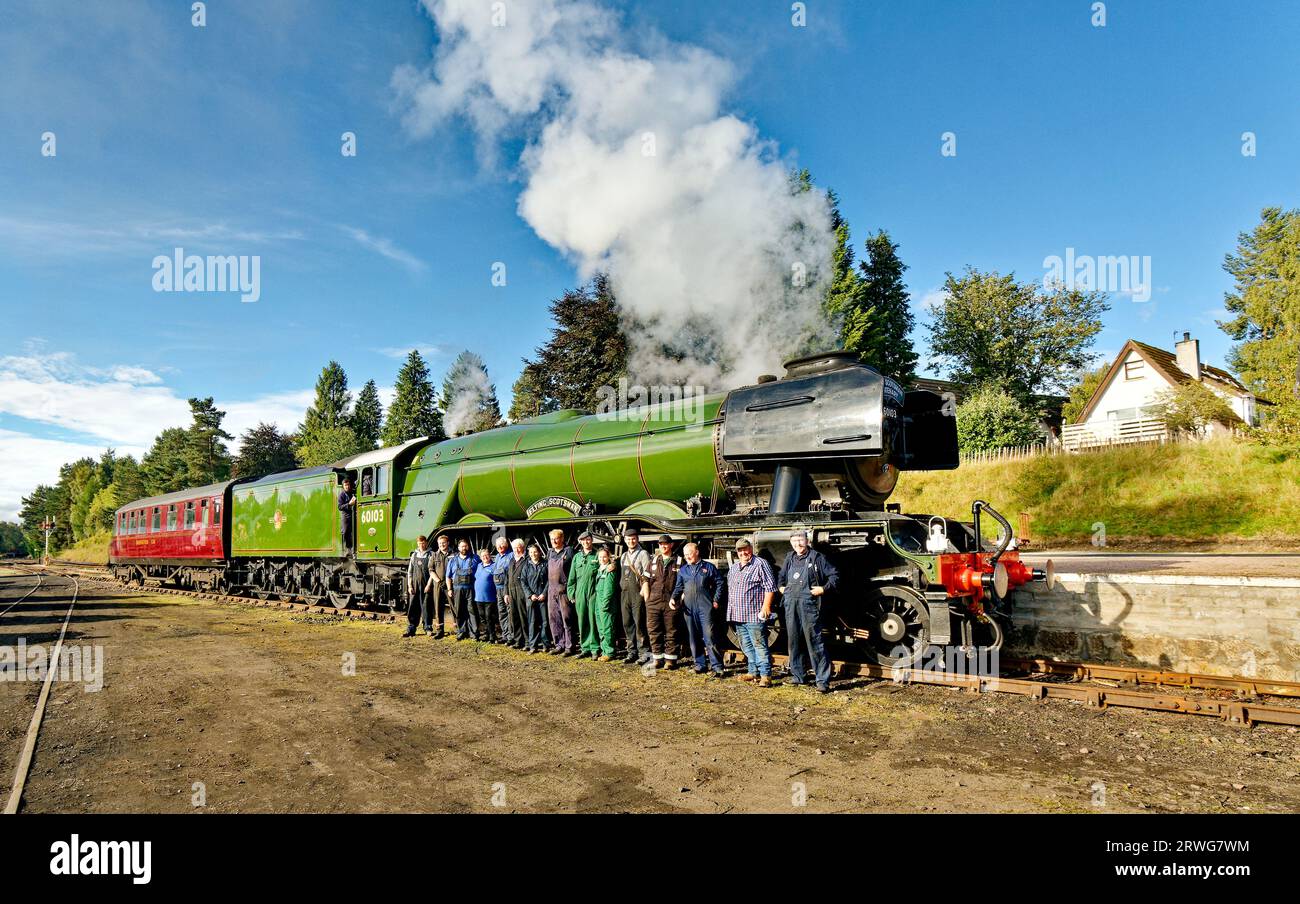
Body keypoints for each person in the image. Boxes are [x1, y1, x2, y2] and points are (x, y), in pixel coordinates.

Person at [779, 529, 840, 693]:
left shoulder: (817, 558)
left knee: (814, 641)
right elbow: (781, 576)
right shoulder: (789, 558)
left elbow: (834, 576)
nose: (797, 544)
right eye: (794, 541)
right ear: (791, 542)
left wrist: (823, 588)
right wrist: (781, 588)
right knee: (793, 641)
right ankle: (798, 676)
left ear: (807, 541)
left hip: (809, 604)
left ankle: (822, 681)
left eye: (800, 540)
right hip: (790, 603)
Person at [726, 537, 776, 687]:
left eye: (745, 549)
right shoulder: (734, 568)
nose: (743, 552)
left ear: (751, 549)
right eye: (740, 550)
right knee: (746, 645)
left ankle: (765, 675)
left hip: (754, 614)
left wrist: (766, 607)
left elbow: (770, 587)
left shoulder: (761, 564)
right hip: (738, 615)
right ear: (737, 552)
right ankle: (752, 672)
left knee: (759, 645)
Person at [672, 541, 725, 676]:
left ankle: (717, 666)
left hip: (705, 607)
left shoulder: (708, 567)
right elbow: (679, 587)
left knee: (709, 636)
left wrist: (716, 600)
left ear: (696, 552)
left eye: (689, 554)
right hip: (689, 608)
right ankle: (700, 664)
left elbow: (720, 582)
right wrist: (673, 598)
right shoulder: (683, 570)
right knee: (693, 637)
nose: (687, 557)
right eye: (685, 555)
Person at [644, 534, 682, 669]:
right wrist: (647, 599)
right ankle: (657, 659)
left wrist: (679, 599)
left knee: (672, 630)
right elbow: (645, 581)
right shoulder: (653, 561)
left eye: (666, 544)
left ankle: (670, 660)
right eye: (661, 544)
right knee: (654, 630)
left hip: (670, 601)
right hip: (653, 602)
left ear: (671, 545)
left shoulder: (679, 561)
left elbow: (684, 582)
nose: (663, 546)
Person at [618, 527, 651, 665]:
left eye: (633, 539)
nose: (631, 541)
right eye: (628, 539)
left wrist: (645, 589)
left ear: (637, 539)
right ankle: (631, 652)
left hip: (637, 593)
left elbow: (648, 573)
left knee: (639, 623)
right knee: (627, 623)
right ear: (625, 540)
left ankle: (644, 653)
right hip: (625, 593)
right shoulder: (624, 556)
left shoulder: (643, 554)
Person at [568, 531, 601, 659]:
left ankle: (594, 648)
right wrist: (571, 593)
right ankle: (585, 647)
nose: (586, 542)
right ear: (580, 542)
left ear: (592, 541)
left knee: (593, 620)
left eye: (588, 540)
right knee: (582, 620)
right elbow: (572, 578)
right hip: (580, 593)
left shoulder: (597, 555)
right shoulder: (577, 557)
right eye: (583, 540)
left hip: (593, 592)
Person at [545, 529, 577, 655]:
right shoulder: (550, 552)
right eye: (552, 539)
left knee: (567, 618)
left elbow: (573, 571)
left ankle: (569, 646)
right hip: (551, 590)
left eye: (556, 538)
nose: (554, 541)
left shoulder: (568, 551)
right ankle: (559, 644)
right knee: (554, 619)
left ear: (562, 539)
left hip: (563, 590)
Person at [445, 538, 479, 641]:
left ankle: (474, 633)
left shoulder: (475, 558)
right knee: (459, 611)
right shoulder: (453, 560)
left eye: (465, 546)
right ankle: (461, 632)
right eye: (462, 546)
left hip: (471, 589)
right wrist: (449, 589)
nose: (464, 548)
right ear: (458, 548)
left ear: (468, 547)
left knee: (472, 611)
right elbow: (448, 576)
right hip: (457, 589)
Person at [403, 535, 436, 637]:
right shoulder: (414, 555)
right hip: (415, 585)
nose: (421, 545)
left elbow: (432, 571)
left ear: (426, 543)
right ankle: (411, 628)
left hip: (426, 584)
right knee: (413, 606)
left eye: (423, 543)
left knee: (427, 606)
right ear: (417, 544)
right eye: (419, 543)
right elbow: (410, 572)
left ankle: (428, 627)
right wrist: (410, 586)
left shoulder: (431, 554)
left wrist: (429, 585)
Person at [590, 546, 619, 661]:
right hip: (598, 602)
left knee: (608, 628)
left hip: (606, 603)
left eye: (604, 557)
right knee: (601, 628)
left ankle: (610, 652)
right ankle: (604, 650)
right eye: (600, 557)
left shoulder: (609, 570)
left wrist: (605, 604)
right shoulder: (599, 569)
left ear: (608, 557)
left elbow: (609, 589)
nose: (602, 559)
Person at [521, 544, 549, 653]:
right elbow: (523, 581)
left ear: (539, 552)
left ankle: (546, 644)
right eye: (531, 552)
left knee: (544, 622)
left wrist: (544, 593)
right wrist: (530, 594)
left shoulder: (545, 564)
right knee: (532, 622)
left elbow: (549, 581)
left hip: (542, 597)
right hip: (531, 598)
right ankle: (533, 645)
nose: (533, 554)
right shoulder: (526, 565)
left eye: (535, 552)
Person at [506, 538, 530, 650]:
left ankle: (527, 641)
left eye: (518, 547)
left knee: (523, 616)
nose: (516, 549)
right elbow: (507, 577)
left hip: (521, 592)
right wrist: (506, 593)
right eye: (514, 548)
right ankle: (518, 640)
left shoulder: (527, 560)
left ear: (523, 548)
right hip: (511, 592)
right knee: (514, 617)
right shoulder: (511, 561)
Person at [491, 536, 514, 646]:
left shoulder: (510, 556)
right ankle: (505, 635)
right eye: (498, 545)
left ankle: (511, 636)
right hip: (498, 589)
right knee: (502, 612)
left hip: (507, 589)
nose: (500, 547)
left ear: (506, 545)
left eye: (502, 544)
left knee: (510, 612)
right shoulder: (497, 558)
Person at [429, 533, 453, 638]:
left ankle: (458, 629)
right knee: (438, 607)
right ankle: (440, 630)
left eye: (443, 543)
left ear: (447, 543)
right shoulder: (434, 555)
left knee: (453, 606)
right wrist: (438, 581)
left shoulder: (453, 554)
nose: (442, 545)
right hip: (438, 584)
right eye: (440, 543)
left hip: (451, 584)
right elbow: (431, 570)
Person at [474, 548, 499, 642]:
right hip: (478, 597)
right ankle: (487, 633)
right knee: (482, 616)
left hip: (490, 597)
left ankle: (492, 636)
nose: (485, 557)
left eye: (486, 555)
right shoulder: (479, 566)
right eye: (483, 556)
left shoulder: (494, 566)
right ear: (480, 557)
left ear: (490, 555)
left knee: (489, 617)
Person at [337, 477, 357, 552]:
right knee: (345, 531)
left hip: (354, 514)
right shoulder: (341, 495)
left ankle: (355, 547)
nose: (347, 486)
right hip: (346, 515)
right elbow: (340, 507)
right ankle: (347, 548)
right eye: (345, 485)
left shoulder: (352, 493)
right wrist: (349, 504)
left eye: (348, 485)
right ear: (343, 486)